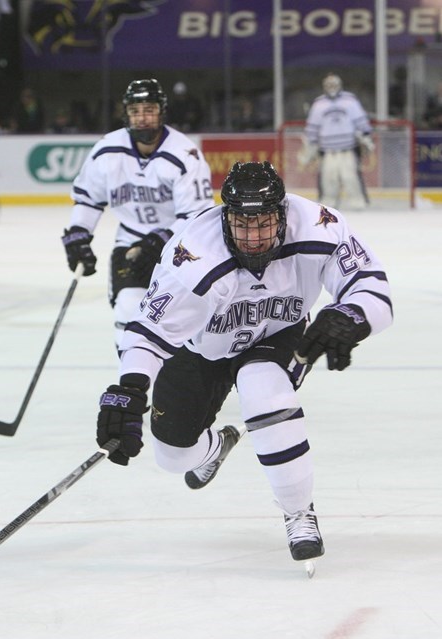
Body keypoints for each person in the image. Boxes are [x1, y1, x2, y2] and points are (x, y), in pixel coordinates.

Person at [93, 161, 393, 566]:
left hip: (277, 334)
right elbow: (149, 331)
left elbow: (372, 286)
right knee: (173, 456)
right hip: (201, 347)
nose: (253, 237)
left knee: (262, 387)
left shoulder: (319, 226)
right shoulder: (194, 254)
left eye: (264, 222)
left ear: (282, 214)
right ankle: (216, 447)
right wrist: (128, 389)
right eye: (242, 223)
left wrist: (351, 316)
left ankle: (298, 512)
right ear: (225, 218)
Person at [61, 78, 214, 350]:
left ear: (161, 112)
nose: (142, 118)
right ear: (126, 114)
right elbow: (88, 198)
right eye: (135, 111)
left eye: (149, 110)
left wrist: (159, 242)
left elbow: (196, 215)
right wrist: (79, 234)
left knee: (183, 322)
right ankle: (131, 374)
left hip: (179, 248)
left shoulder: (184, 154)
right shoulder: (107, 150)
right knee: (127, 310)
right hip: (130, 241)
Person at [299, 73, 374, 210]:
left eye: (334, 85)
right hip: (328, 150)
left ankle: (358, 203)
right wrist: (311, 144)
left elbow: (361, 121)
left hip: (348, 149)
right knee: (328, 179)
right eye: (329, 85)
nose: (332, 87)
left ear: (340, 85)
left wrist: (366, 135)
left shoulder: (350, 101)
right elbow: (313, 126)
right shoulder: (319, 104)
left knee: (351, 178)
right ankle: (328, 205)